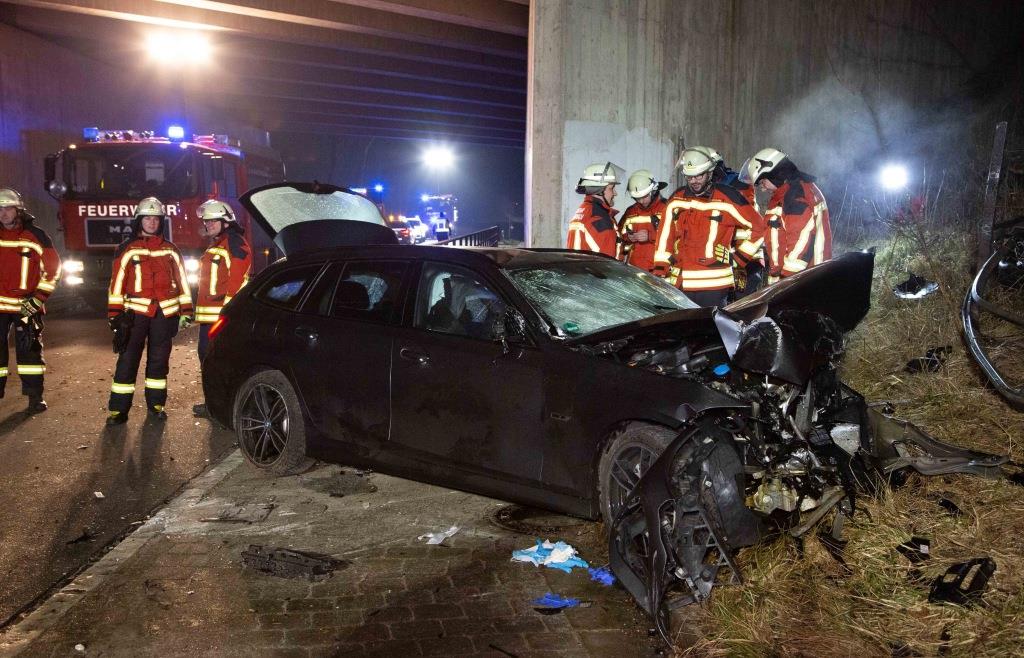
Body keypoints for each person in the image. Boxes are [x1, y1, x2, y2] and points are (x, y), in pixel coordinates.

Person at [105, 197, 193, 426]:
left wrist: (186, 310)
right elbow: (117, 284)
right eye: (147, 218)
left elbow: (182, 281)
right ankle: (118, 410)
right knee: (127, 360)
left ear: (160, 222)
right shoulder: (127, 249)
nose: (152, 222)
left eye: (156, 219)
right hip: (135, 315)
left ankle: (156, 405)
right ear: (139, 221)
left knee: (158, 361)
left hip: (164, 314)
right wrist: (115, 314)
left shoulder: (171, 250)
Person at [653, 148, 765, 307]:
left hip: (715, 285)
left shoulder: (727, 197)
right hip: (681, 284)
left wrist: (738, 258)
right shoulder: (677, 199)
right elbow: (664, 239)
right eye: (690, 177)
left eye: (699, 176)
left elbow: (759, 227)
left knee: (710, 330)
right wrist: (660, 273)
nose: (694, 181)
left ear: (710, 173)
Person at [0, 188, 61, 413]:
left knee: (30, 354)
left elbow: (53, 271)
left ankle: (35, 397)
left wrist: (37, 300)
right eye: (0, 209)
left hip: (26, 305)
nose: (3, 213)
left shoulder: (36, 236)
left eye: (8, 208)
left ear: (18, 210)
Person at [192, 199, 252, 417]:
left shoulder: (234, 243)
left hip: (221, 317)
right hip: (210, 317)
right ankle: (214, 406)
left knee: (218, 362)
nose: (208, 225)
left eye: (213, 221)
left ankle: (221, 408)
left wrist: (227, 315)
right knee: (209, 361)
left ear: (226, 221)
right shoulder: (218, 244)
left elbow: (237, 282)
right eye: (206, 222)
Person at [742, 148, 832, 281]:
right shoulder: (788, 193)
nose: (763, 187)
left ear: (774, 174)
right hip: (797, 278)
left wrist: (785, 281)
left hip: (801, 281)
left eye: (763, 181)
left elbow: (800, 245)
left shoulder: (795, 196)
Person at [566, 162, 623, 257]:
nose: (615, 193)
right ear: (599, 190)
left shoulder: (583, 210)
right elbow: (607, 265)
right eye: (611, 188)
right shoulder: (600, 220)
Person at [619, 170, 667, 272]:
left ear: (653, 191)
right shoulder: (630, 211)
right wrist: (628, 237)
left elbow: (677, 236)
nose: (641, 201)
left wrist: (650, 236)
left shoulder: (666, 208)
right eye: (637, 198)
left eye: (644, 197)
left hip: (659, 270)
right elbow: (619, 235)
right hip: (635, 269)